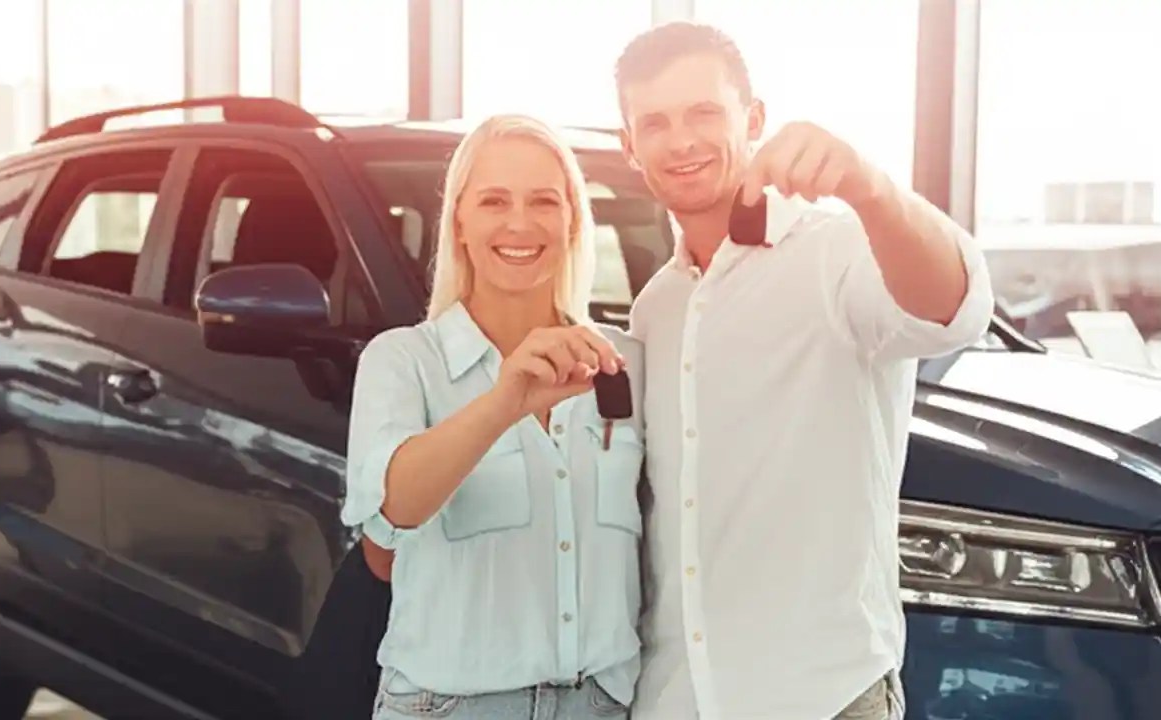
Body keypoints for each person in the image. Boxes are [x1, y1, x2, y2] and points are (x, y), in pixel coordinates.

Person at [614, 22, 995, 720]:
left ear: (753, 119)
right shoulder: (654, 310)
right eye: (656, 122)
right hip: (677, 698)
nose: (683, 140)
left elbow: (955, 311)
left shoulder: (839, 253)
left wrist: (871, 188)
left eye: (705, 112)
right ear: (630, 147)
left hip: (820, 696)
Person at [340, 114, 648, 720]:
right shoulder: (404, 361)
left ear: (572, 221)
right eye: (494, 201)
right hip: (452, 706)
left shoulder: (625, 360)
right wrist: (503, 403)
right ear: (458, 220)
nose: (519, 222)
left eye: (543, 201)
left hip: (605, 704)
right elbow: (389, 522)